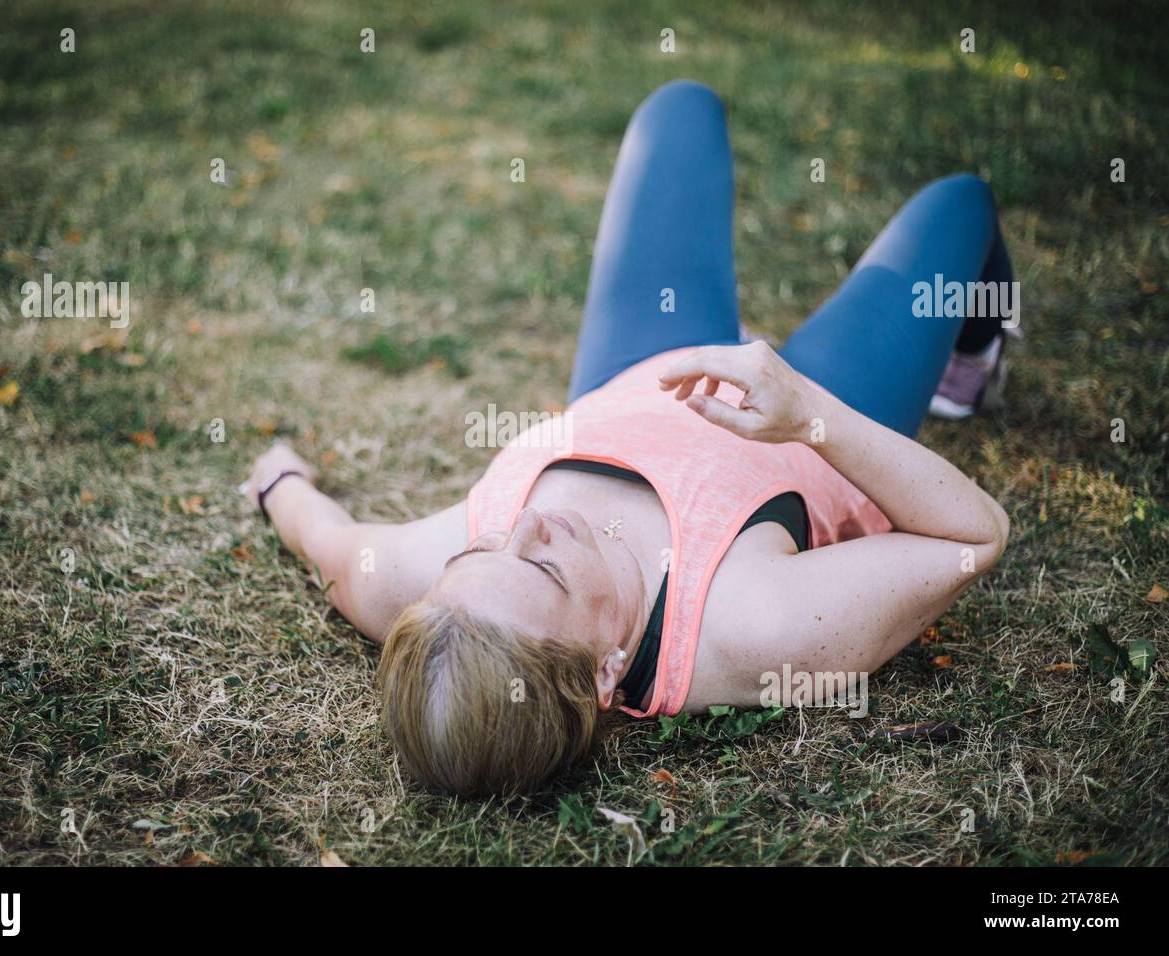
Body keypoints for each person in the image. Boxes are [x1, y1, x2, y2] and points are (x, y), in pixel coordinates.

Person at [243, 80, 1013, 797]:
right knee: (961, 203)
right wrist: (808, 409)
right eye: (544, 568)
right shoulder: (757, 630)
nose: (521, 525)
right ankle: (970, 359)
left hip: (647, 369)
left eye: (476, 553)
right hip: (816, 419)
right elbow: (974, 536)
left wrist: (280, 483)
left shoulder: (433, 597)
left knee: (680, 108)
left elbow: (331, 546)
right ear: (607, 670)